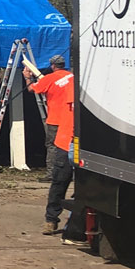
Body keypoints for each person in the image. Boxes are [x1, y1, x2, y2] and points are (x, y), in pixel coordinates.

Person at [24, 54, 83, 245]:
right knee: (66, 181)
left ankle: (54, 220)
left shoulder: (51, 79)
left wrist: (27, 78)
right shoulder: (74, 80)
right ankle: (54, 220)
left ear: (52, 65)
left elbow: (33, 89)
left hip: (63, 134)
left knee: (60, 180)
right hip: (67, 137)